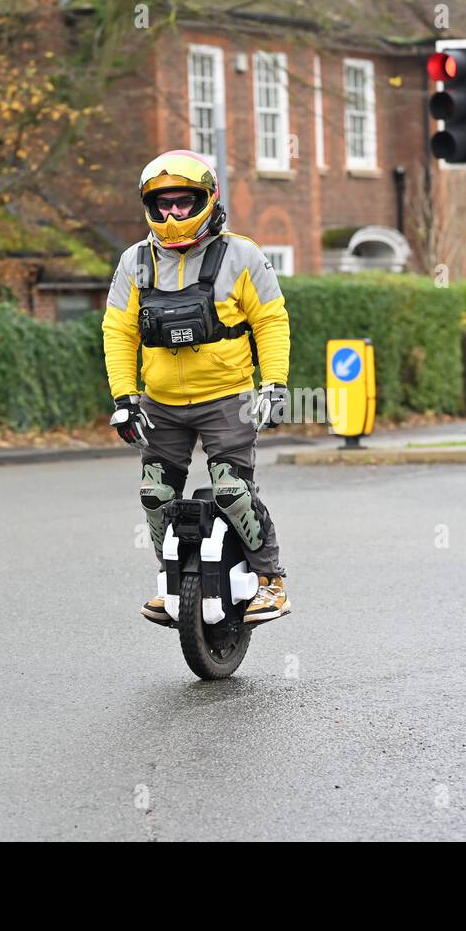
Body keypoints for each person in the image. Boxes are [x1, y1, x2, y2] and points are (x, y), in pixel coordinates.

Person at [102, 149, 292, 624]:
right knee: (155, 494)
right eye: (162, 204)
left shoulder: (241, 255)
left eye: (182, 203)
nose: (171, 214)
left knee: (231, 489)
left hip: (227, 399)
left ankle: (270, 581)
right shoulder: (134, 262)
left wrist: (274, 385)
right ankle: (171, 582)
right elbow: (117, 330)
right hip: (160, 403)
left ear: (206, 200)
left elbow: (270, 320)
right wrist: (124, 399)